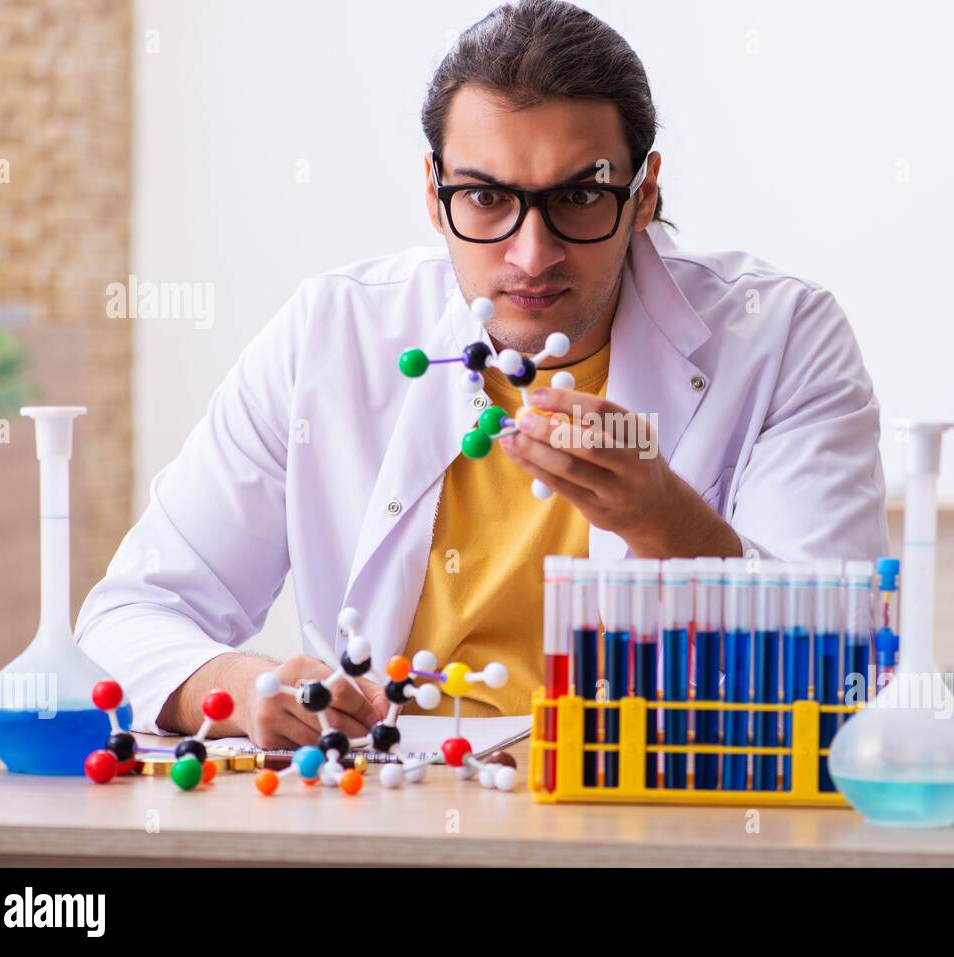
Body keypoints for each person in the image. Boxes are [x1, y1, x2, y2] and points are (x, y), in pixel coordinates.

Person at [75, 0, 887, 747]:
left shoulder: (781, 338)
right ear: (435, 196)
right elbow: (131, 612)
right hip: (387, 804)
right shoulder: (333, 333)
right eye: (487, 198)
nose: (532, 254)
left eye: (581, 196)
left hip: (650, 807)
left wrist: (668, 525)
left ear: (644, 196)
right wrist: (240, 687)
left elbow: (846, 673)